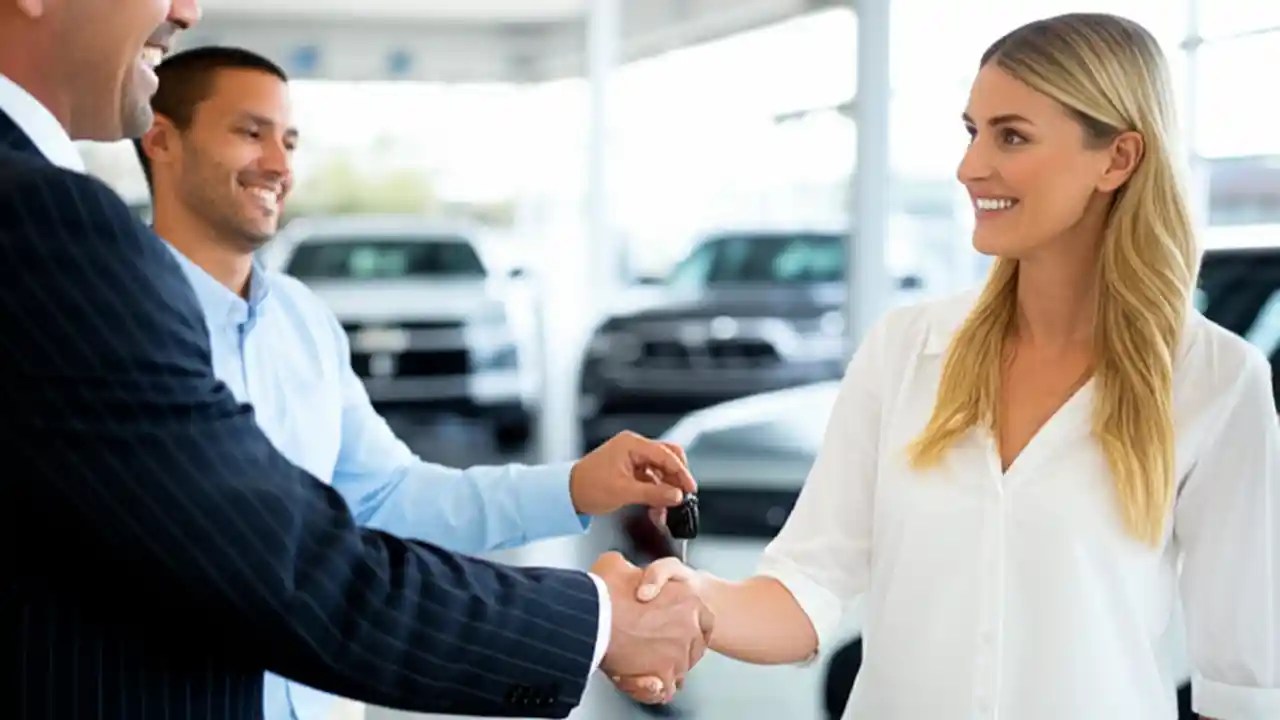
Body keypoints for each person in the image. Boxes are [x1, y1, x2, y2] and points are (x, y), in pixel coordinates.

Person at [0, 2, 714, 718]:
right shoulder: (64, 243)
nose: (279, 163)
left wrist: (573, 486)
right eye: (251, 133)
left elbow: (382, 499)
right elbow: (281, 561)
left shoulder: (304, 324)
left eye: (290, 140)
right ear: (162, 140)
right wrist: (596, 625)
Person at [614, 12, 1279, 720]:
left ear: (1117, 159)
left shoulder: (1215, 381)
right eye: (972, 131)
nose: (970, 167)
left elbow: (1242, 684)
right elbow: (806, 585)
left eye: (1011, 136)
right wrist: (694, 601)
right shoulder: (905, 349)